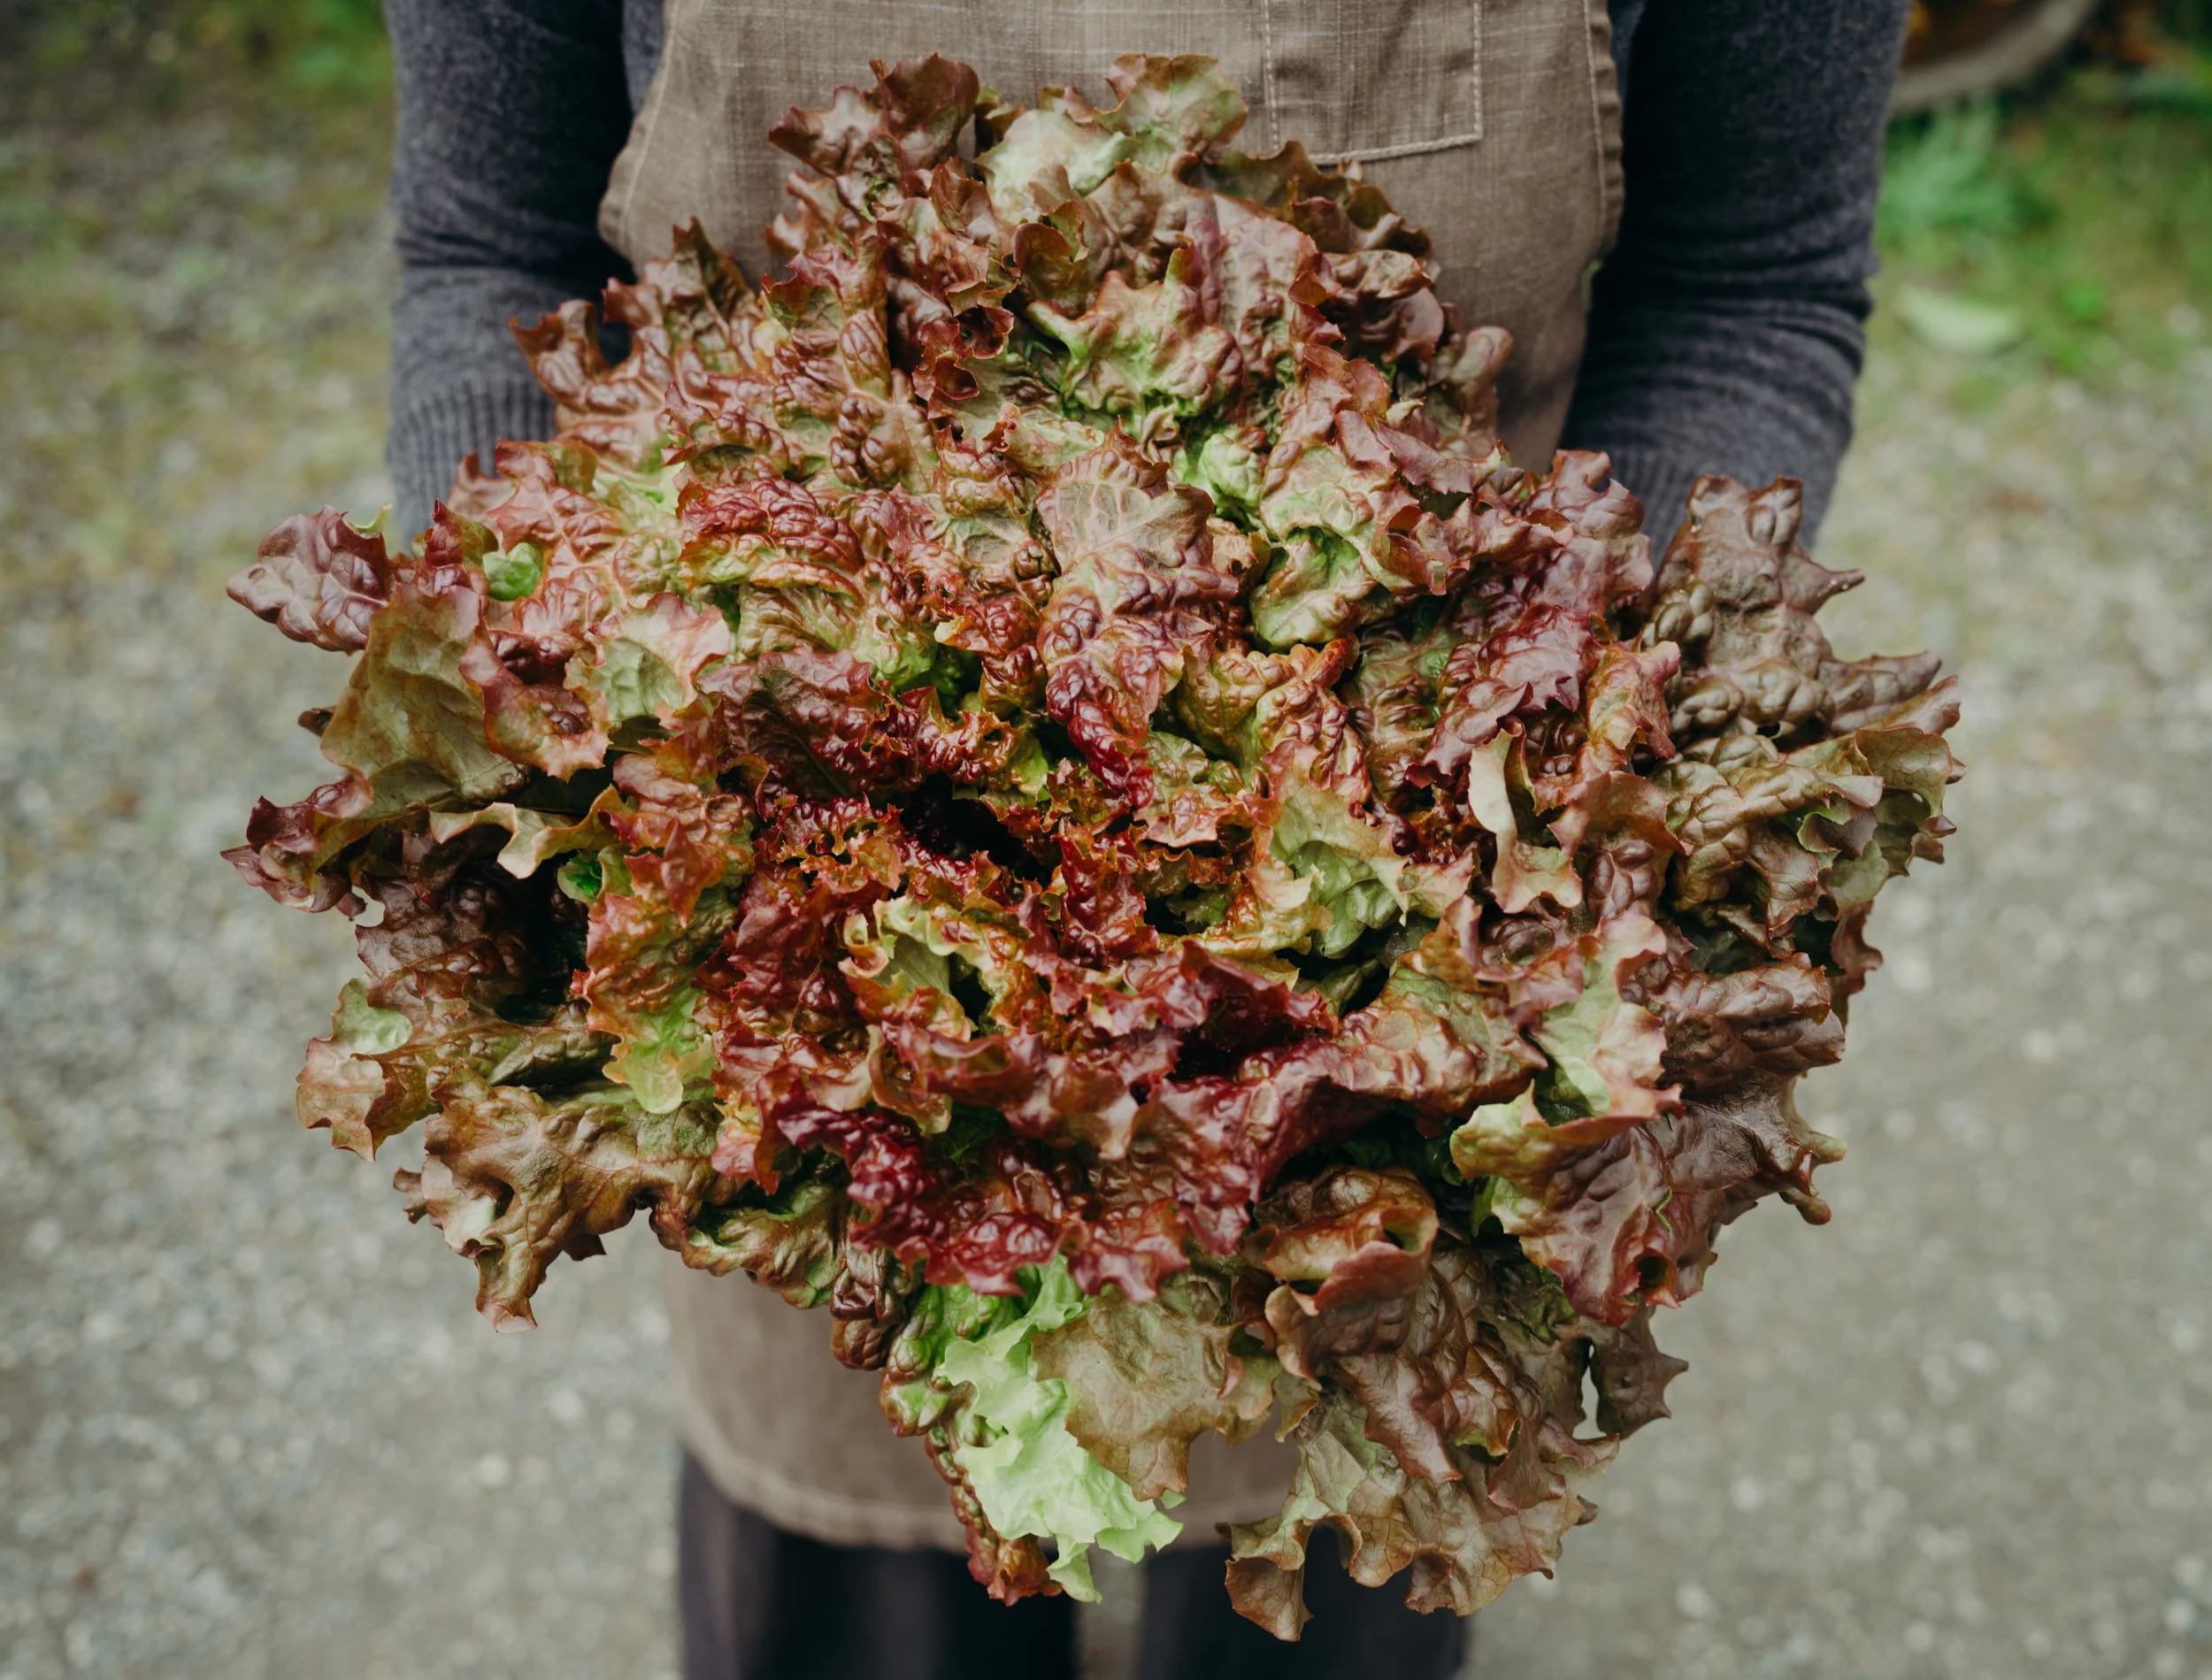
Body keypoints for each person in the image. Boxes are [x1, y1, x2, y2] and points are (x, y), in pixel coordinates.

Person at [380, 4, 1912, 1676]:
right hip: (810, 1039)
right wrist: (544, 699)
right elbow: (489, 244)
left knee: (1336, 1569)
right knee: (865, 1609)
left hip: (1410, 1019)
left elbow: (1746, 274)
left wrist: (1581, 757)